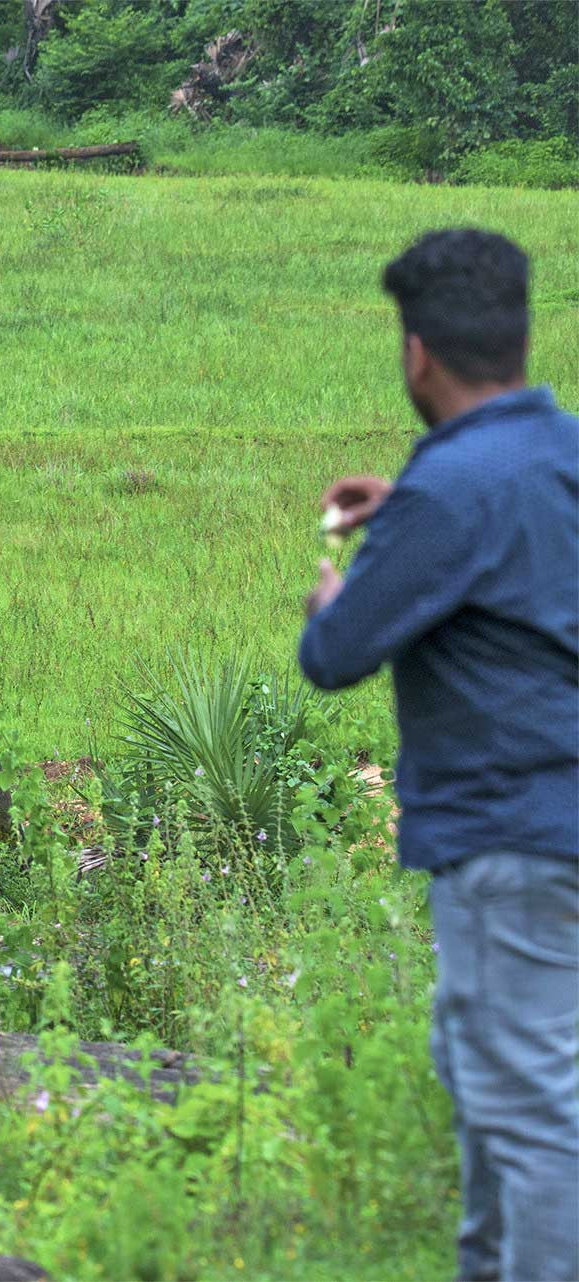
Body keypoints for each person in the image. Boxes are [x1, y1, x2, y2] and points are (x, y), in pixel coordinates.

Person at [299, 227, 579, 1282]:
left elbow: (336, 653)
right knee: (504, 1092)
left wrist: (338, 586)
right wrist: (407, 518)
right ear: (519, 336)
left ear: (418, 353)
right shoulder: (560, 454)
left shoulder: (453, 488)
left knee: (530, 1115)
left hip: (513, 836)